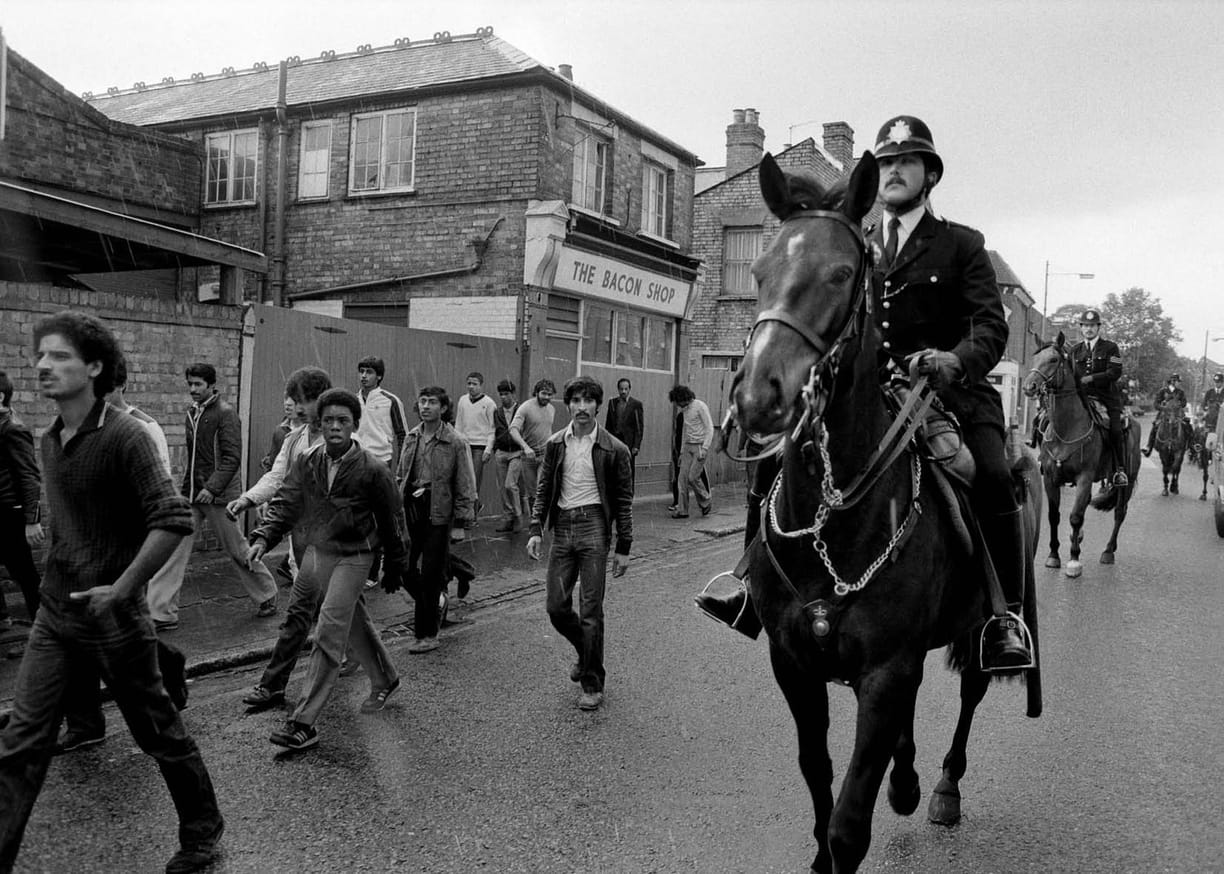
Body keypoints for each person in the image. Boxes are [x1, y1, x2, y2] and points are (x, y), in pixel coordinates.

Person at [698, 115, 1032, 672]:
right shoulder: (852, 239)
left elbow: (989, 328)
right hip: (864, 389)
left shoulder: (962, 245)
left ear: (929, 176)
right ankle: (749, 585)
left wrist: (955, 360)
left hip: (945, 393)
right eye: (887, 163)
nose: (895, 171)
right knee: (774, 462)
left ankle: (1003, 618)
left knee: (993, 474)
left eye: (907, 162)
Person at [0, 312, 223, 874]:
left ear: (95, 367)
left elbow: (174, 519)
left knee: (158, 732)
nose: (45, 366)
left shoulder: (126, 435)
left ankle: (202, 829)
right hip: (56, 613)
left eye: (61, 357)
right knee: (21, 744)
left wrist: (122, 588)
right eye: (42, 355)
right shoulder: (51, 439)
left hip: (114, 617)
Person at [245, 389, 407, 751]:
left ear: (354, 426)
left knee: (329, 631)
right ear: (320, 423)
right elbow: (287, 503)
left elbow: (394, 522)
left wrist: (396, 565)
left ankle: (304, 723)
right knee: (351, 621)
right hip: (319, 553)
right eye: (328, 420)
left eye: (343, 421)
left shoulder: (373, 470)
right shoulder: (307, 460)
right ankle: (385, 678)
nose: (334, 427)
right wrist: (262, 538)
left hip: (355, 554)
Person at [55, 355, 190, 756]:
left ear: (123, 387)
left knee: (119, 632)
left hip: (123, 549)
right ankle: (85, 721)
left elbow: (158, 496)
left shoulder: (144, 429)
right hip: (79, 546)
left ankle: (163, 668)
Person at [526, 376, 633, 712]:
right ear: (568, 405)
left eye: (588, 401)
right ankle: (585, 654)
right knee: (556, 607)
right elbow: (544, 489)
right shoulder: (557, 444)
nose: (582, 407)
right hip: (563, 527)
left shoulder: (615, 449)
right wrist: (535, 529)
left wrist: (624, 547)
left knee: (591, 610)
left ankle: (592, 682)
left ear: (598, 406)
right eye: (576, 401)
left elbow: (624, 501)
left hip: (595, 529)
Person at [147, 363, 279, 630]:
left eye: (198, 384)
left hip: (219, 497)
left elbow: (231, 459)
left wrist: (212, 488)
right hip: (193, 495)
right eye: (190, 384)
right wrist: (188, 491)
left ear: (210, 385)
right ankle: (161, 612)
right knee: (173, 548)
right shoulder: (192, 413)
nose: (193, 389)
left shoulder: (225, 414)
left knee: (237, 549)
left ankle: (267, 594)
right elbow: (195, 459)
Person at [230, 367, 332, 711]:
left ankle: (274, 687)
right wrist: (248, 499)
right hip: (302, 540)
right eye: (296, 400)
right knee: (338, 614)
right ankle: (383, 671)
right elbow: (277, 479)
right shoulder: (294, 439)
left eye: (307, 400)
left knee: (300, 615)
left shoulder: (339, 441)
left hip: (332, 544)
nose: (300, 408)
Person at [397, 386, 476, 654]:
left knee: (430, 573)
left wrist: (459, 524)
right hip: (412, 507)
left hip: (439, 509)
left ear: (443, 408)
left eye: (432, 402)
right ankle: (439, 597)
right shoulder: (411, 437)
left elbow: (465, 484)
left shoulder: (455, 441)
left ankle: (427, 634)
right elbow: (401, 474)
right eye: (422, 401)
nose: (426, 406)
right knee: (403, 568)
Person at [355, 356, 407, 590]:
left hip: (381, 463)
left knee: (379, 518)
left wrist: (400, 470)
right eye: (361, 371)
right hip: (357, 463)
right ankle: (362, 565)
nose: (364, 376)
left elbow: (403, 435)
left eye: (369, 372)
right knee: (359, 517)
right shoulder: (353, 400)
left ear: (379, 376)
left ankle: (376, 570)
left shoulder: (390, 400)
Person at [0, 371, 43, 634]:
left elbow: (29, 476)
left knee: (24, 573)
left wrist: (32, 520)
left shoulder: (13, 428)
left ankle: (46, 625)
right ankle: (2, 618)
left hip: (8, 513)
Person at [1070, 309, 1130, 486]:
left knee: (1116, 430)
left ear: (1098, 328)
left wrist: (1092, 378)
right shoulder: (1075, 350)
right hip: (1081, 398)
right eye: (1085, 326)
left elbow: (1115, 372)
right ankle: (1050, 461)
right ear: (1081, 328)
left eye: (1092, 326)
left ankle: (1119, 470)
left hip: (1106, 397)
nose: (1089, 329)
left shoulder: (1111, 347)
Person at [509, 378, 557, 506]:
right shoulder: (525, 407)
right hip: (529, 456)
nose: (546, 397)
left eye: (549, 394)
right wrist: (525, 447)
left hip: (545, 455)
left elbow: (547, 429)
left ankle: (541, 523)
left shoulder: (551, 409)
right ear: (536, 392)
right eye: (543, 393)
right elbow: (513, 429)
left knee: (542, 489)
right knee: (532, 493)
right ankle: (534, 521)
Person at [454, 371, 497, 509]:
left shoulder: (489, 403)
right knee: (461, 479)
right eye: (469, 383)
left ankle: (473, 515)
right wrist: (456, 441)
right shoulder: (462, 400)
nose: (471, 386)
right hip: (464, 445)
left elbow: (492, 429)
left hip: (480, 446)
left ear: (481, 385)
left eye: (474, 384)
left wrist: (488, 449)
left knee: (474, 480)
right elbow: (459, 424)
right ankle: (468, 508)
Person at [669, 385, 713, 518]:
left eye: (678, 401)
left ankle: (706, 500)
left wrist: (705, 448)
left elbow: (709, 428)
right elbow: (685, 432)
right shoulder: (684, 411)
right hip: (688, 446)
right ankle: (683, 510)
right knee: (682, 480)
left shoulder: (700, 406)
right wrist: (682, 452)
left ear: (684, 398)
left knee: (693, 477)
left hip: (699, 446)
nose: (678, 405)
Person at [492, 379, 528, 533]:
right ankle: (508, 517)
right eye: (501, 394)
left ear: (513, 394)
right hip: (501, 451)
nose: (503, 397)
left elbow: (527, 430)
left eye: (506, 394)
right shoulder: (497, 412)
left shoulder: (522, 410)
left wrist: (524, 447)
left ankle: (519, 517)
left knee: (510, 484)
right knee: (502, 487)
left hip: (517, 451)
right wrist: (493, 449)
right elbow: (494, 430)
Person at [605, 377, 644, 487]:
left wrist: (636, 445)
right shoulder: (612, 403)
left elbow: (639, 427)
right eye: (621, 389)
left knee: (628, 471)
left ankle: (628, 498)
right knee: (614, 469)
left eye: (626, 389)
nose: (623, 391)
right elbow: (608, 425)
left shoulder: (636, 404)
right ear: (618, 389)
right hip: (615, 442)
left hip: (629, 443)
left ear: (629, 389)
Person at [1144, 373, 1190, 457]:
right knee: (1155, 426)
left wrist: (1178, 405)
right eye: (1178, 382)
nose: (1179, 383)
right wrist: (1163, 407)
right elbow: (1156, 404)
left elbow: (1184, 403)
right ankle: (1149, 446)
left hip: (1177, 414)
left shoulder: (1180, 392)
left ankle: (1190, 446)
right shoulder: (1163, 391)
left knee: (1187, 426)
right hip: (1164, 414)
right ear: (1173, 381)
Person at [1201, 372, 1224, 453]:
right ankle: (1198, 447)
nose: (1216, 383)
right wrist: (1205, 409)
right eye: (1215, 382)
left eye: (1218, 382)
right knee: (1200, 431)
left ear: (1222, 382)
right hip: (1210, 417)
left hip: (1221, 418)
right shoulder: (1209, 392)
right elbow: (1203, 404)